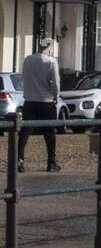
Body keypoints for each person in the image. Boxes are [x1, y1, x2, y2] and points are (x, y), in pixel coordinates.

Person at [17, 38, 61, 173]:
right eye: (52, 47)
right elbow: (55, 83)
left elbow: (24, 77)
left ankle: (19, 161)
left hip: (29, 101)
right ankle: (51, 163)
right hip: (46, 101)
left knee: (25, 133)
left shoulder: (27, 60)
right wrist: (56, 96)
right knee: (49, 133)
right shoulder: (51, 62)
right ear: (48, 47)